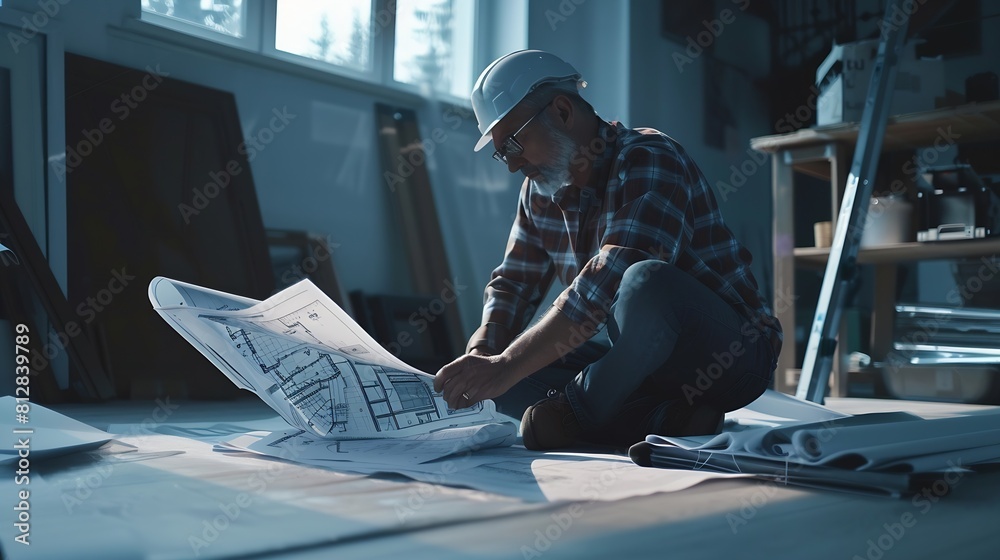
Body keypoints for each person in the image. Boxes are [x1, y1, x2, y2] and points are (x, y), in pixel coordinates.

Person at [433, 50, 782, 451]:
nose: (512, 165)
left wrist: (507, 366)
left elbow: (613, 276)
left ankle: (580, 412)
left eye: (514, 143)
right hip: (635, 361)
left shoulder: (650, 157)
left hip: (727, 354)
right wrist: (484, 356)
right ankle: (663, 418)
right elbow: (512, 284)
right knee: (500, 385)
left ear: (562, 111)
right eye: (502, 152)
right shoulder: (539, 190)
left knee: (645, 281)